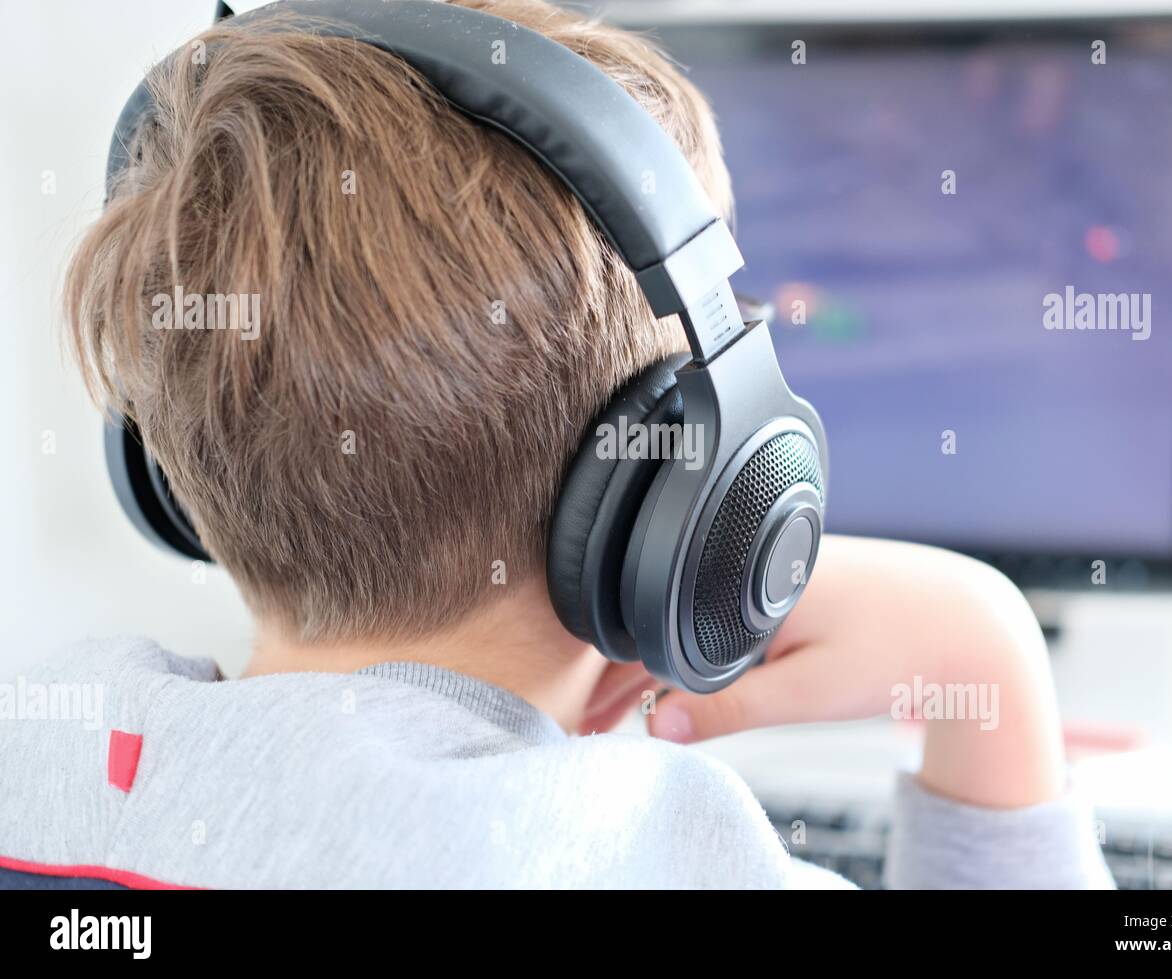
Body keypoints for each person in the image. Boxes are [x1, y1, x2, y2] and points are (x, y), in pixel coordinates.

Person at [0, 0, 1111, 889]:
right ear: (691, 509)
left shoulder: (43, 754)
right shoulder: (650, 849)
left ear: (170, 465)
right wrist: (987, 653)